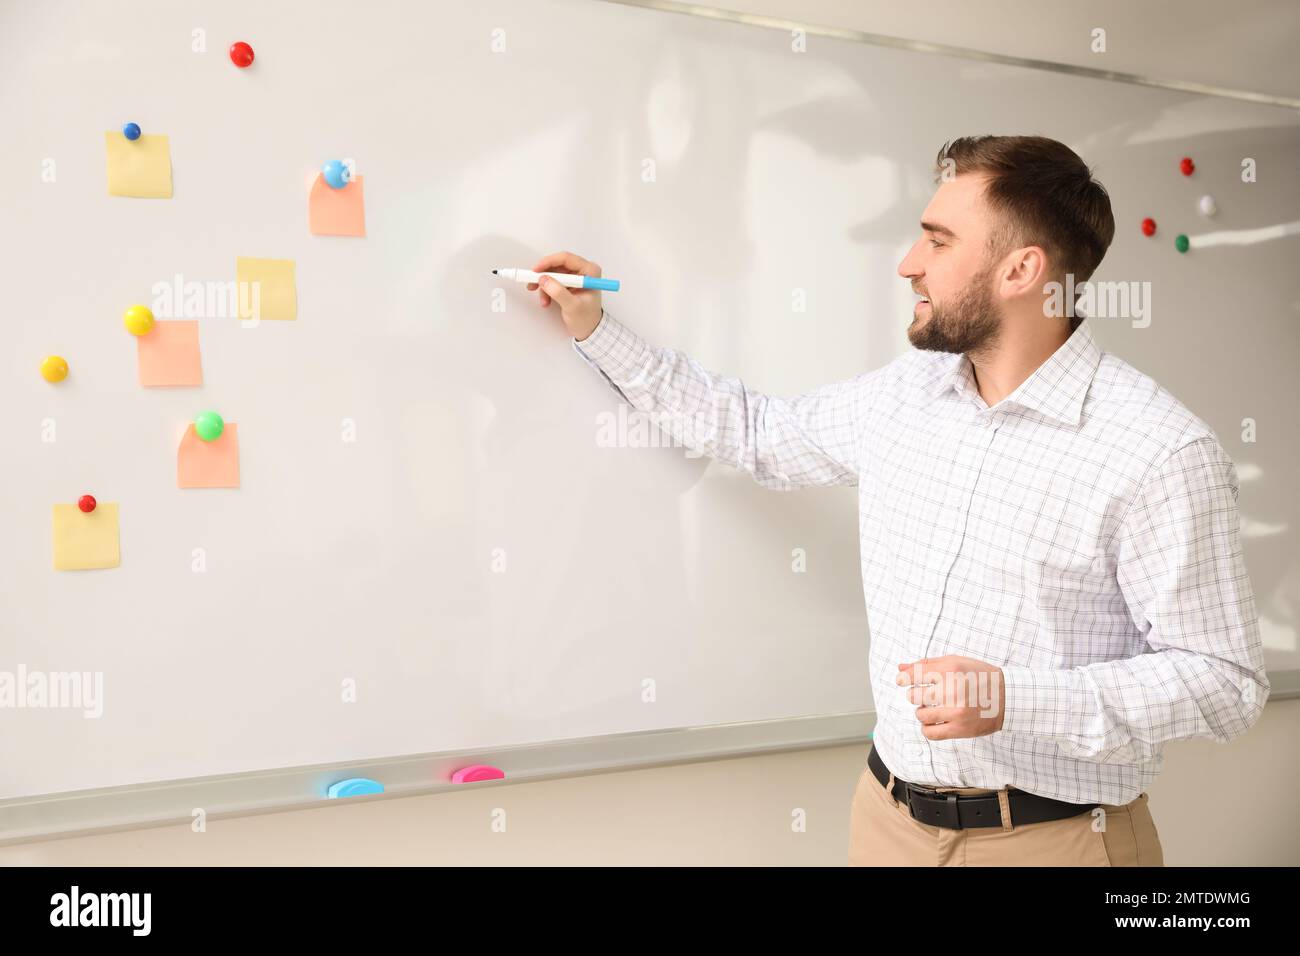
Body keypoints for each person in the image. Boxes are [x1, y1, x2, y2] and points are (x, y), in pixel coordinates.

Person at [528, 135, 1268, 866]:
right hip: (889, 823)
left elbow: (1226, 683)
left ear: (1021, 269)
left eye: (937, 242)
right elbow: (757, 431)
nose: (907, 263)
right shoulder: (906, 396)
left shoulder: (1158, 451)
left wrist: (1016, 698)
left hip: (1056, 842)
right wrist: (598, 328)